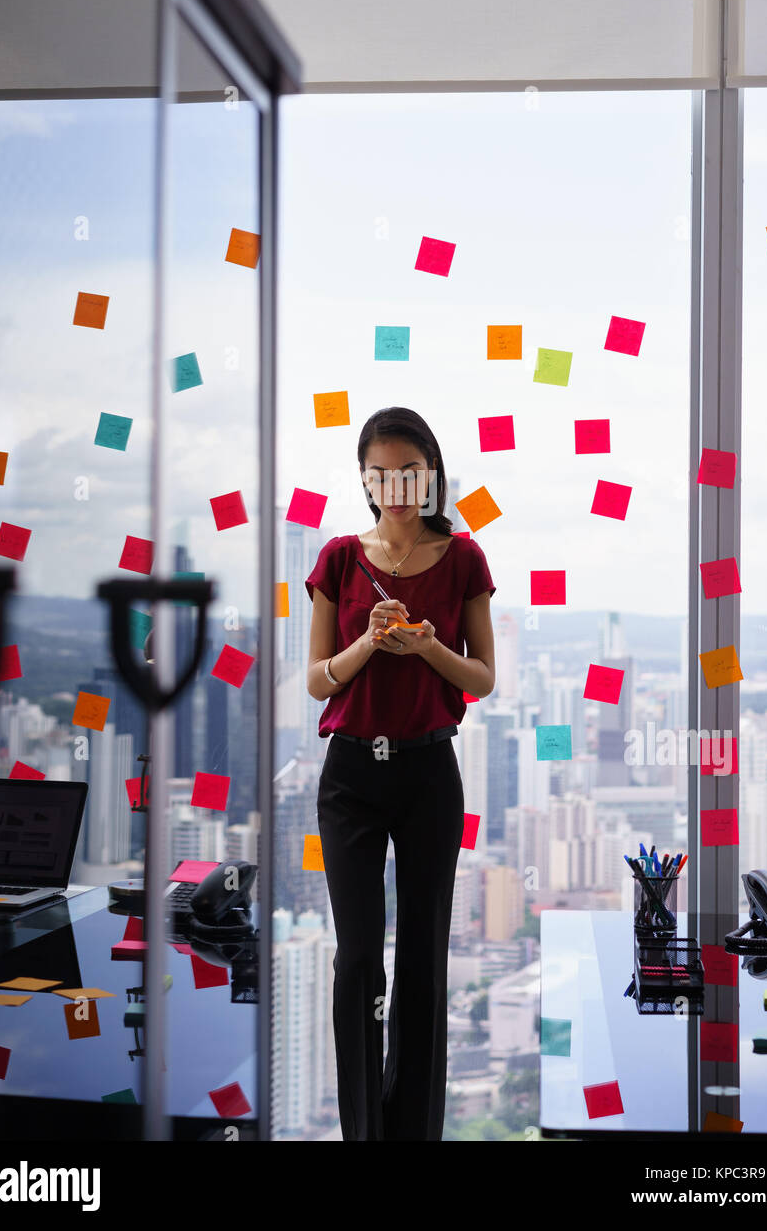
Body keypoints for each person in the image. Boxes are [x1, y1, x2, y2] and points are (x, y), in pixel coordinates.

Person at [305, 406, 496, 1140]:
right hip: (350, 775)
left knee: (423, 955)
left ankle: (413, 1129)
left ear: (431, 473)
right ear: (364, 478)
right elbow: (320, 680)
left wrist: (424, 649)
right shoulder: (337, 558)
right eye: (382, 472)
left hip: (427, 775)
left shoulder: (465, 558)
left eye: (411, 471)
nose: (398, 485)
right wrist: (370, 642)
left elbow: (479, 678)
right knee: (357, 961)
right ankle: (363, 1133)